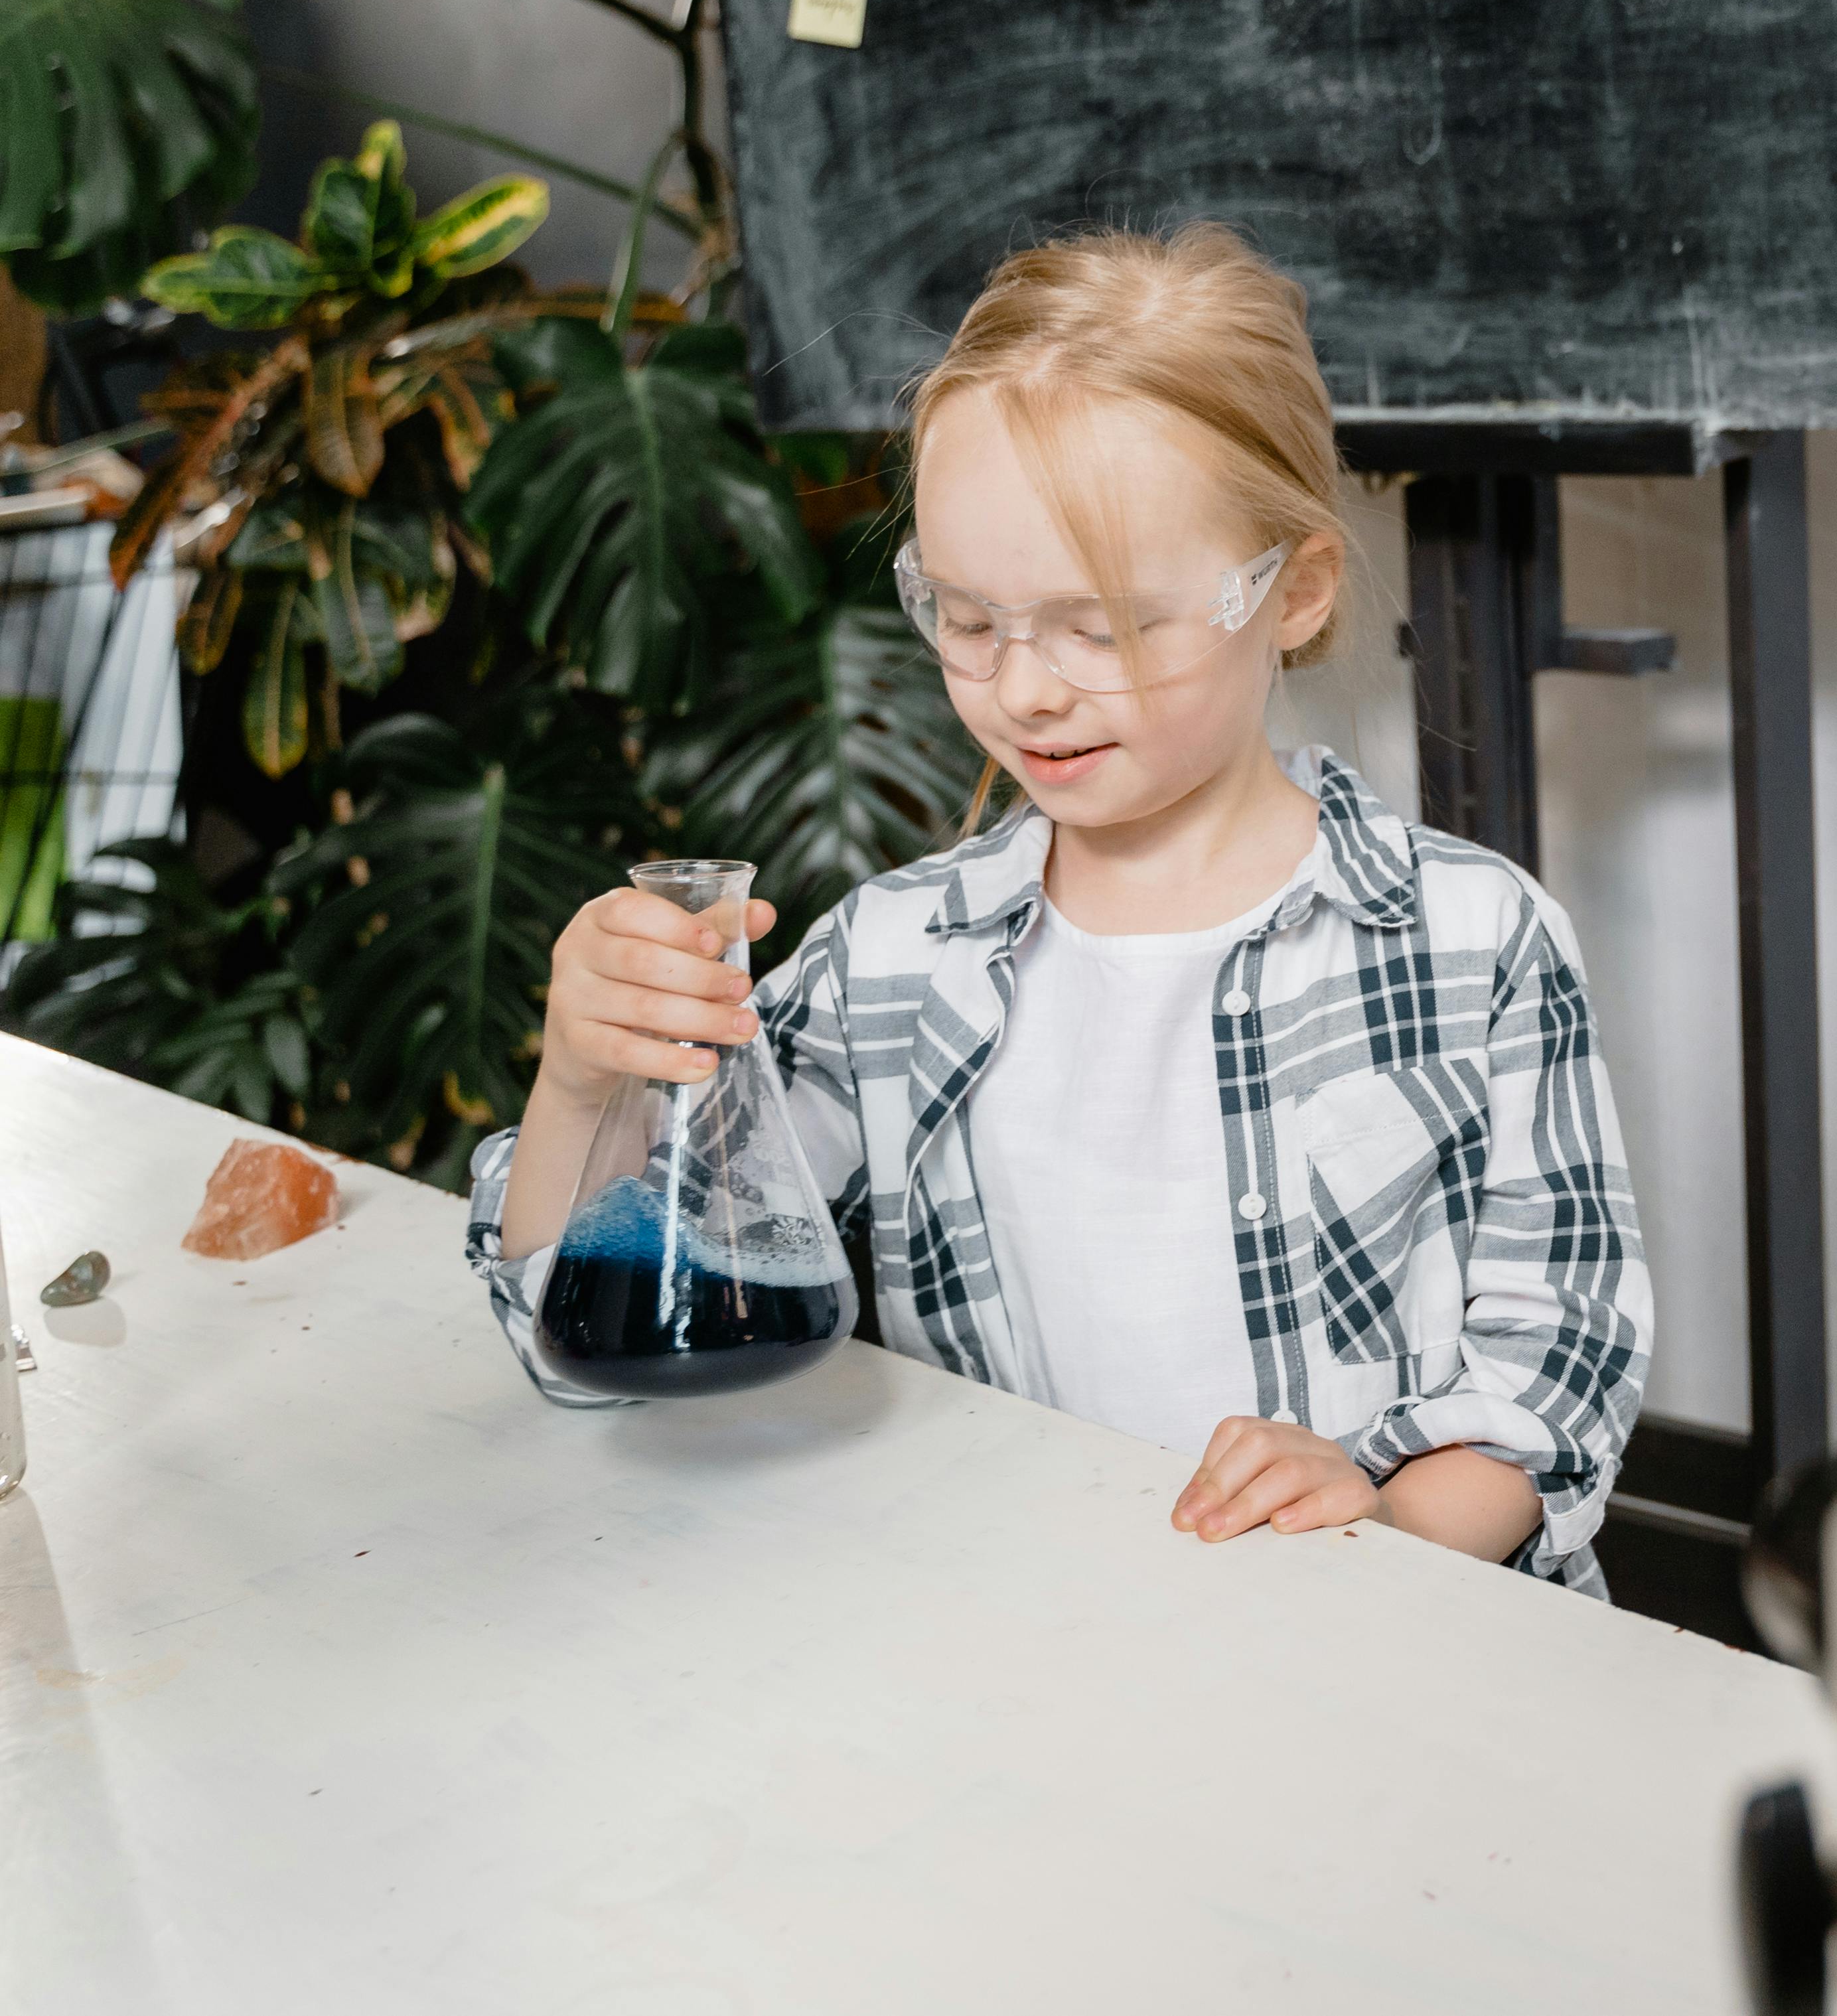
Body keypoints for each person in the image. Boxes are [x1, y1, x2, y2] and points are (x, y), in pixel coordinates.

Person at [463, 228, 1650, 1593]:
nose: (1022, 691)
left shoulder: (1470, 943)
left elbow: (1553, 1384)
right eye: (967, 620)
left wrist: (1376, 1532)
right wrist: (579, 1084)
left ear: (1294, 591)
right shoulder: (888, 968)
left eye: (1101, 629)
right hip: (1018, 1662)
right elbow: (594, 1347)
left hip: (1376, 1684)